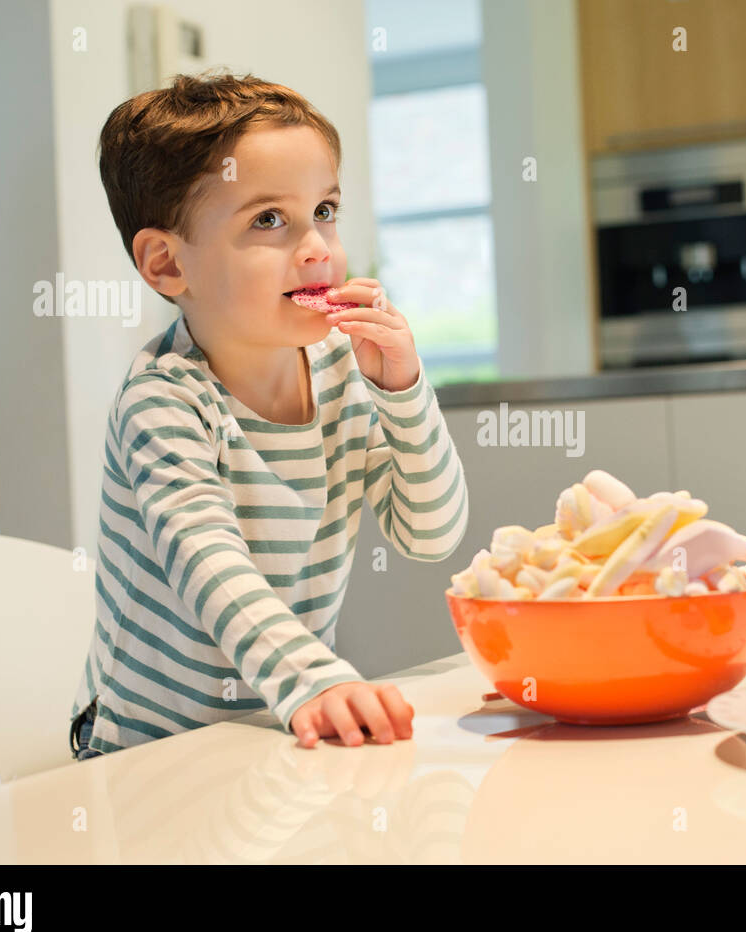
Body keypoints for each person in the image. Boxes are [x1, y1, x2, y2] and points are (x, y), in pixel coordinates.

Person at [68, 71, 468, 759]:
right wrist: (318, 681)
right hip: (145, 754)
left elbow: (430, 533)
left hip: (274, 731)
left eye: (326, 210)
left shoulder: (341, 370)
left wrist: (403, 389)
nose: (317, 248)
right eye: (268, 220)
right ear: (166, 264)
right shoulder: (163, 401)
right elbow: (212, 571)